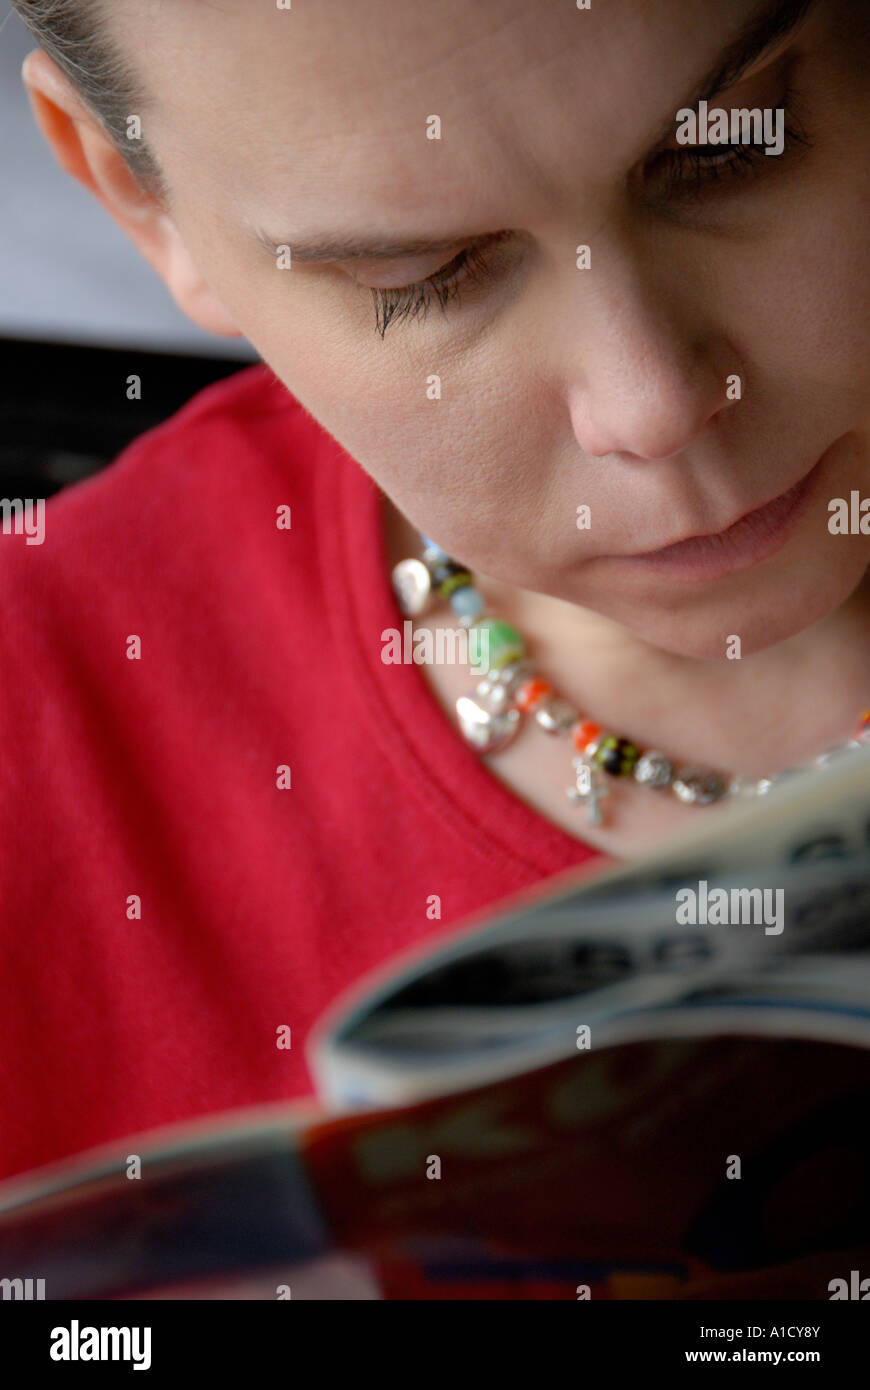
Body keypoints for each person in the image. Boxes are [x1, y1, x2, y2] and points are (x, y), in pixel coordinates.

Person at [1, 0, 867, 1182]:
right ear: (143, 204)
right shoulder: (39, 742)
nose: (654, 404)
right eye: (424, 275)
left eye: (731, 146)